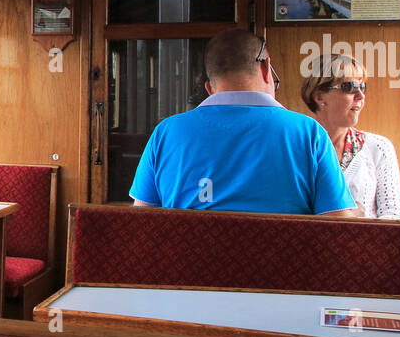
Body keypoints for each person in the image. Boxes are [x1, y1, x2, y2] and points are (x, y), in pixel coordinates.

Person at [130, 28, 356, 216]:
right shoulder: (309, 134)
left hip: (186, 269)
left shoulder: (166, 133)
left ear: (209, 89)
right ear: (266, 68)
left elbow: (142, 223)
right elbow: (338, 226)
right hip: (281, 269)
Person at [301, 53, 400, 219]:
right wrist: (352, 214)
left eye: (363, 87)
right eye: (349, 87)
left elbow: (394, 214)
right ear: (320, 97)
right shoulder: (297, 148)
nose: (361, 95)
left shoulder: (378, 148)